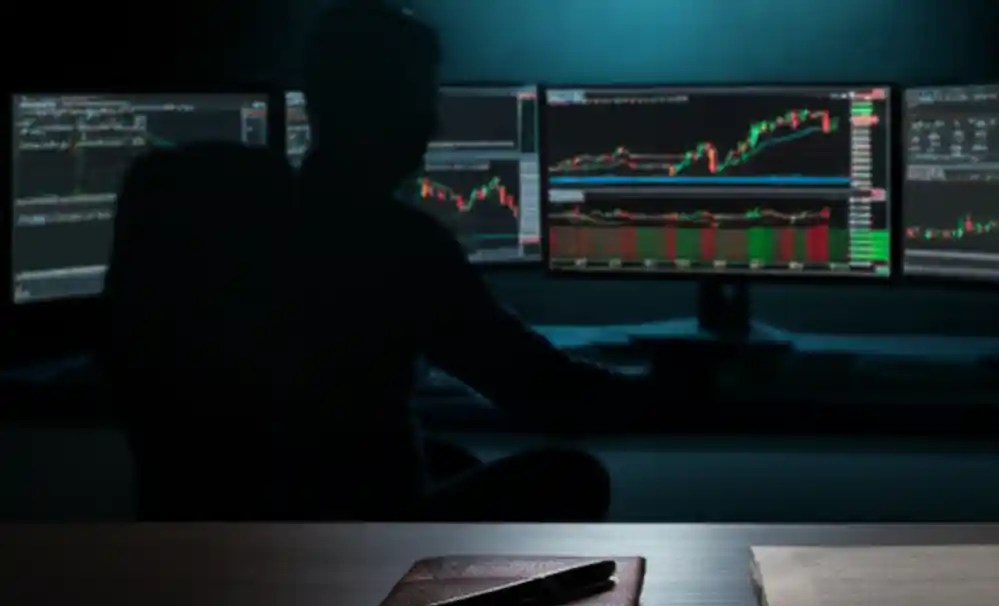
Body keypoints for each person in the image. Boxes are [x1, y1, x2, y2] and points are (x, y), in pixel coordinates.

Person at [100, 1, 644, 521]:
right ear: (393, 111)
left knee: (448, 458)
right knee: (573, 476)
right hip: (356, 545)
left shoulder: (224, 217)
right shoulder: (400, 244)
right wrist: (676, 389)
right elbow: (544, 393)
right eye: (422, 99)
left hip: (223, 535)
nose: (434, 123)